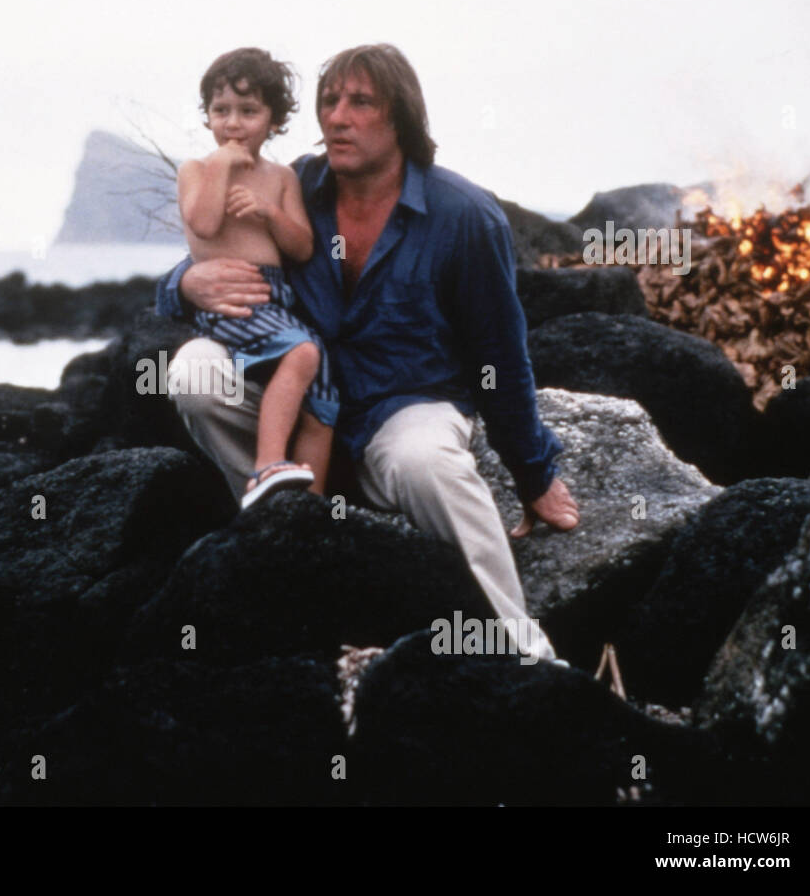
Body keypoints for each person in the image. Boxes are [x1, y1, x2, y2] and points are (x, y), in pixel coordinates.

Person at [155, 44, 580, 662]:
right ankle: (285, 527)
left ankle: (525, 655)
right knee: (195, 370)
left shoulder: (463, 217)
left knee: (427, 463)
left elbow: (500, 355)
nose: (337, 118)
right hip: (305, 401)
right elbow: (222, 242)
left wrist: (534, 473)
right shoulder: (299, 183)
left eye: (360, 103)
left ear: (400, 116)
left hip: (405, 406)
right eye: (329, 102)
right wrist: (182, 285)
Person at [178, 47, 339, 509]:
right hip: (232, 302)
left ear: (273, 120)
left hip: (276, 301)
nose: (232, 124)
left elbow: (303, 247)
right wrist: (222, 169)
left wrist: (269, 213)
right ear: (207, 116)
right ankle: (267, 465)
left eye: (248, 111)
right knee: (303, 352)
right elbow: (204, 226)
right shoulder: (197, 171)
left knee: (322, 397)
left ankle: (309, 509)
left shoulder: (282, 178)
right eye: (221, 110)